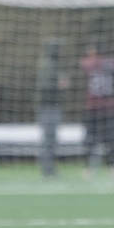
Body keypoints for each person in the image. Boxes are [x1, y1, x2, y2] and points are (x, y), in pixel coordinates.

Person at [80, 41, 114, 179]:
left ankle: (89, 169)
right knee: (109, 139)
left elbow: (84, 64)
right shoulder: (110, 63)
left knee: (92, 139)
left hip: (95, 107)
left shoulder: (90, 63)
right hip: (108, 107)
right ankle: (112, 169)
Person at [35, 38, 69, 178]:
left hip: (50, 107)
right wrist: (60, 84)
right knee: (49, 139)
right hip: (48, 107)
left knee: (51, 139)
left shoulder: (51, 65)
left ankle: (49, 169)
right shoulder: (48, 66)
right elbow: (45, 87)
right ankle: (47, 170)